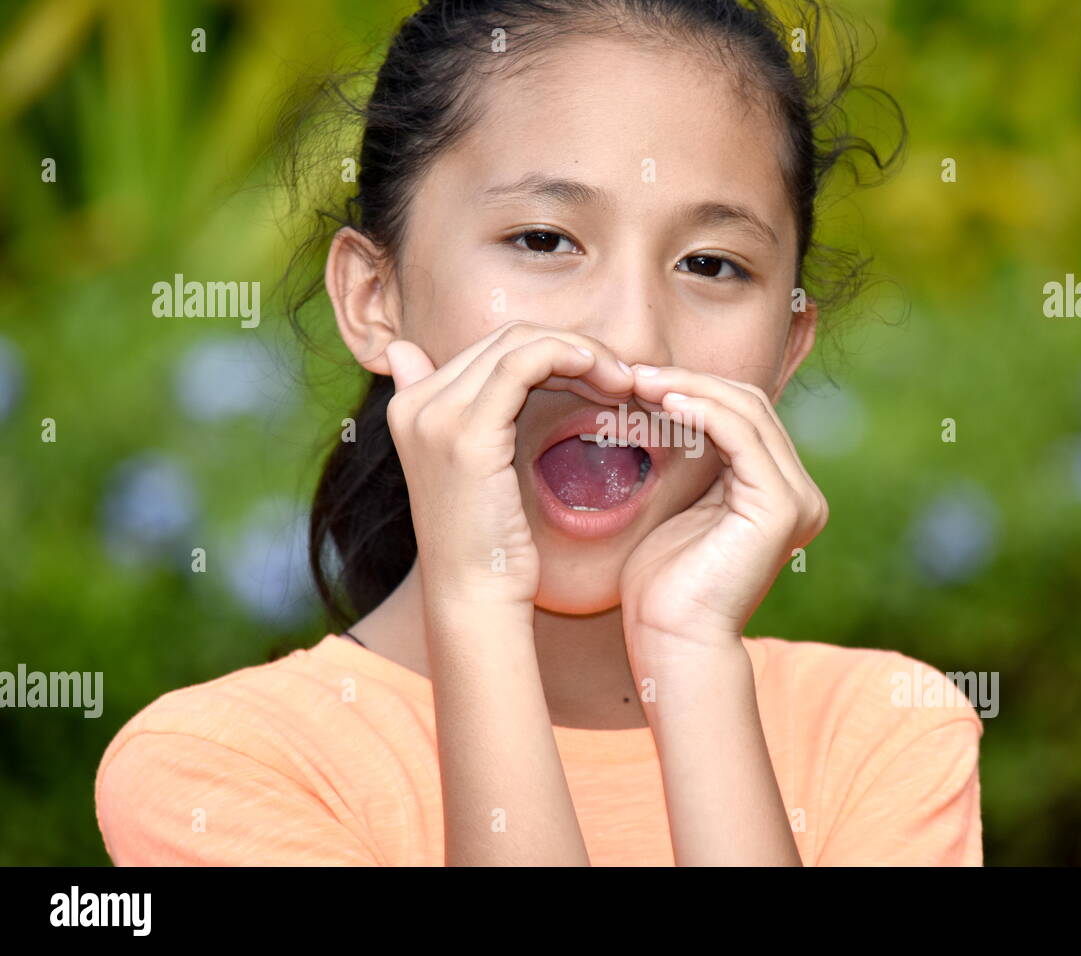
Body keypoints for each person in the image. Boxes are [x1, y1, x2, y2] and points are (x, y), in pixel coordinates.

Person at [96, 0, 983, 866]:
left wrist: (692, 666)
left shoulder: (882, 731)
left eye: (711, 264)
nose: (631, 338)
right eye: (545, 239)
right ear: (374, 297)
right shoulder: (223, 768)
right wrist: (475, 603)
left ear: (785, 348)